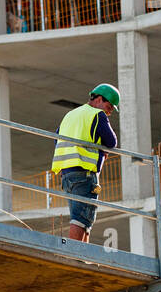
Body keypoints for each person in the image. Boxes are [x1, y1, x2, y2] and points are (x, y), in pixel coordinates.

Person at [50, 83, 119, 242]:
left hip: (67, 175)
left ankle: (83, 258)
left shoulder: (70, 115)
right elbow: (111, 142)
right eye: (109, 107)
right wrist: (101, 151)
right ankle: (75, 255)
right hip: (85, 173)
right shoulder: (96, 114)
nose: (109, 112)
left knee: (84, 219)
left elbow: (57, 138)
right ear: (99, 99)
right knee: (81, 219)